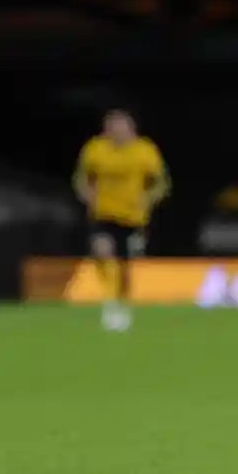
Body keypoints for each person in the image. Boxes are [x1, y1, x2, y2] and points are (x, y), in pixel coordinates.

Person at [73, 109, 169, 332]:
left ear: (131, 129)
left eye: (121, 127)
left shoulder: (145, 151)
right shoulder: (95, 149)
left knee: (125, 266)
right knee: (102, 251)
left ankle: (122, 304)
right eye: (112, 127)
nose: (116, 132)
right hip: (103, 214)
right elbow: (82, 177)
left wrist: (148, 199)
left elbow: (160, 182)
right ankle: (109, 300)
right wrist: (87, 194)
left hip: (132, 217)